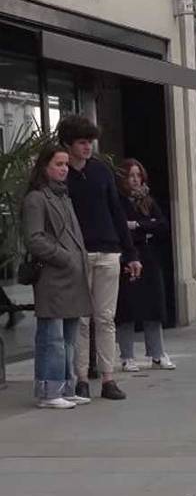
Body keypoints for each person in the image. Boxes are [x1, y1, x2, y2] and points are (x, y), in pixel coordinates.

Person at [57, 115, 138, 401]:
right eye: (82, 142)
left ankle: (108, 378)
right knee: (80, 319)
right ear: (68, 143)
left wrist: (130, 253)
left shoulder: (102, 171)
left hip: (108, 251)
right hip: (78, 254)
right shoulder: (60, 174)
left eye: (90, 142)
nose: (88, 147)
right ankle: (80, 378)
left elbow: (117, 212)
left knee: (106, 318)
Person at [22, 144, 93, 409]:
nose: (64, 169)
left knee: (69, 339)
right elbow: (34, 239)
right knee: (52, 338)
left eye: (65, 164)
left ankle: (66, 387)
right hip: (52, 277)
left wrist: (77, 260)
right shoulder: (36, 198)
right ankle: (49, 392)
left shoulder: (64, 197)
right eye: (58, 164)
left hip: (72, 278)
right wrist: (66, 257)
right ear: (44, 167)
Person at [114, 159, 172, 372]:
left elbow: (162, 225)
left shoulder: (147, 200)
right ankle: (127, 356)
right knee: (127, 308)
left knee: (154, 307)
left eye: (138, 175)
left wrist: (138, 225)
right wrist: (145, 228)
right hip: (127, 258)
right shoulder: (117, 201)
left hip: (150, 257)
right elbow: (121, 228)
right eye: (131, 176)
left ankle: (157, 353)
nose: (135, 180)